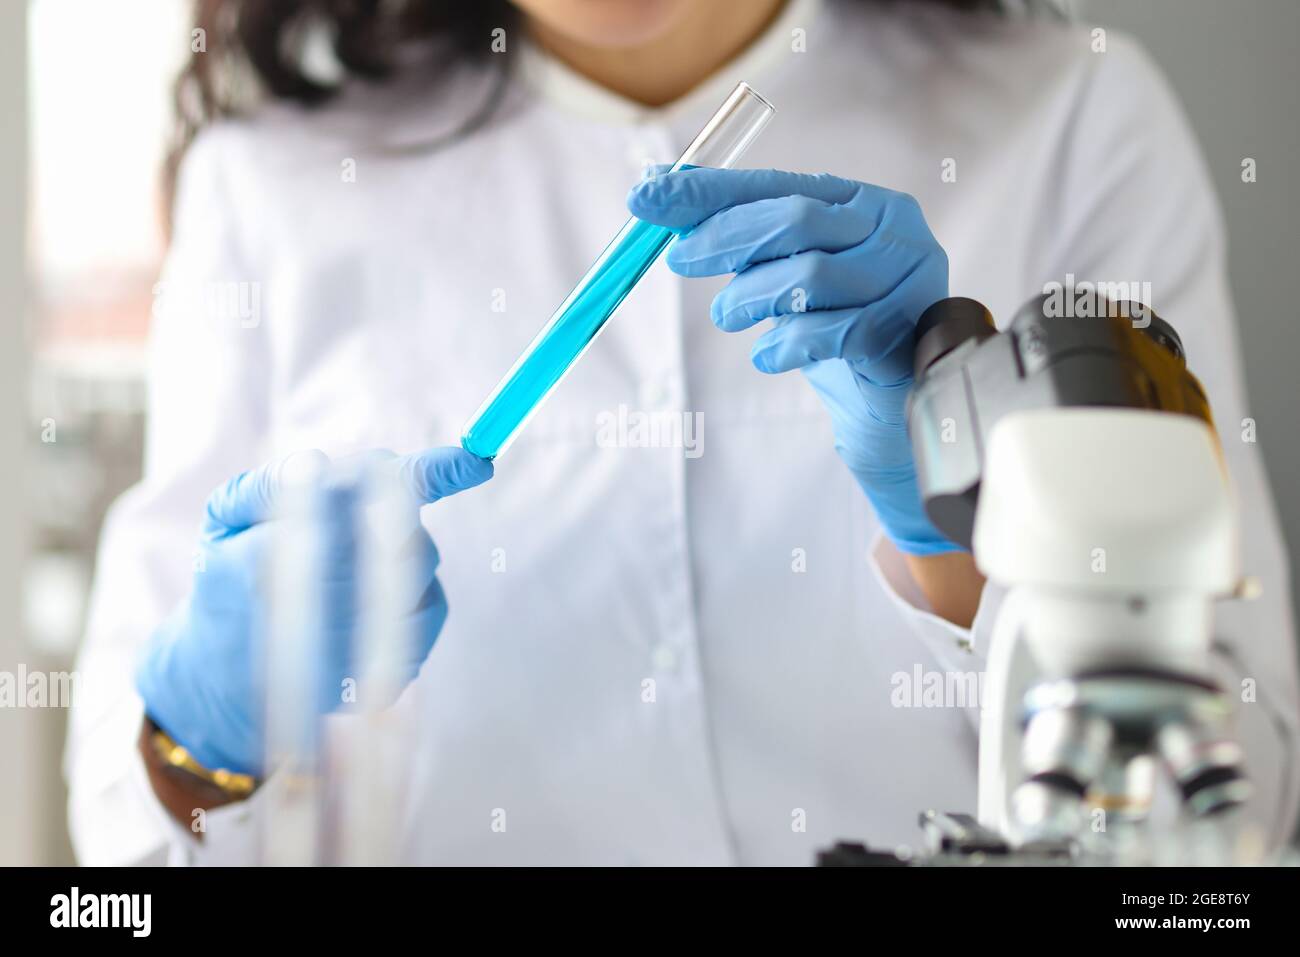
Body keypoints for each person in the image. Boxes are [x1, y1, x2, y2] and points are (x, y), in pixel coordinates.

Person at [68, 0, 1300, 865]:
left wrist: (963, 549)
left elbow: (1238, 813)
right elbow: (121, 855)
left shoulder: (1071, 116)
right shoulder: (270, 185)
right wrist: (205, 737)